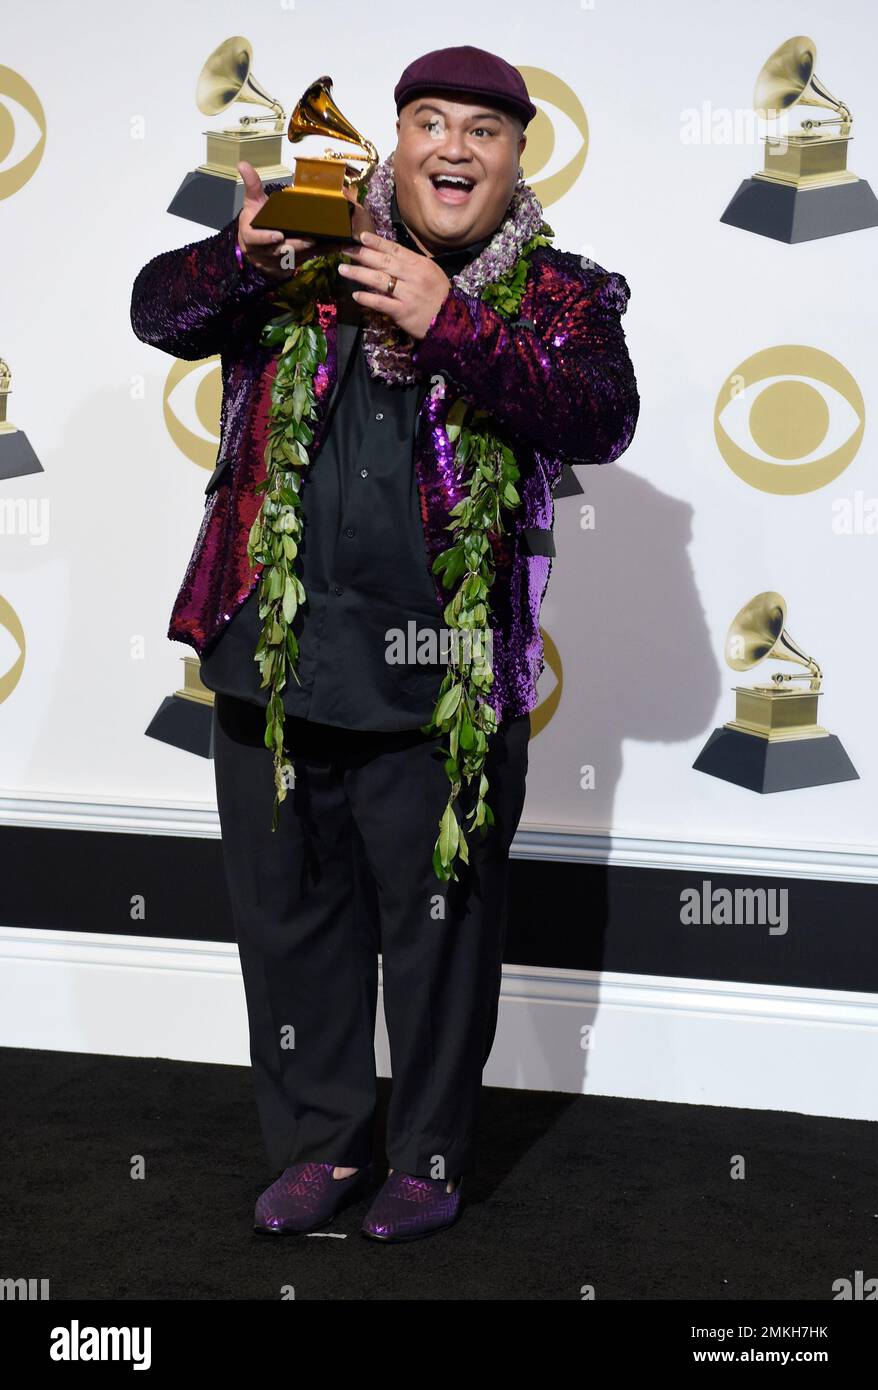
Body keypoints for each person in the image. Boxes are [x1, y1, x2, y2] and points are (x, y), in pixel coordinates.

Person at [130, 44, 639, 1243]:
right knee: (289, 924)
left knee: (439, 934)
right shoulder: (304, 250)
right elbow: (159, 311)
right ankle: (321, 1147)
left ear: (517, 157)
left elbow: (599, 416)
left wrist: (451, 321)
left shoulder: (560, 291)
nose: (452, 147)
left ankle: (427, 1155)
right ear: (395, 139)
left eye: (482, 130)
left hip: (442, 679)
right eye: (428, 122)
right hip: (277, 657)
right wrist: (233, 255)